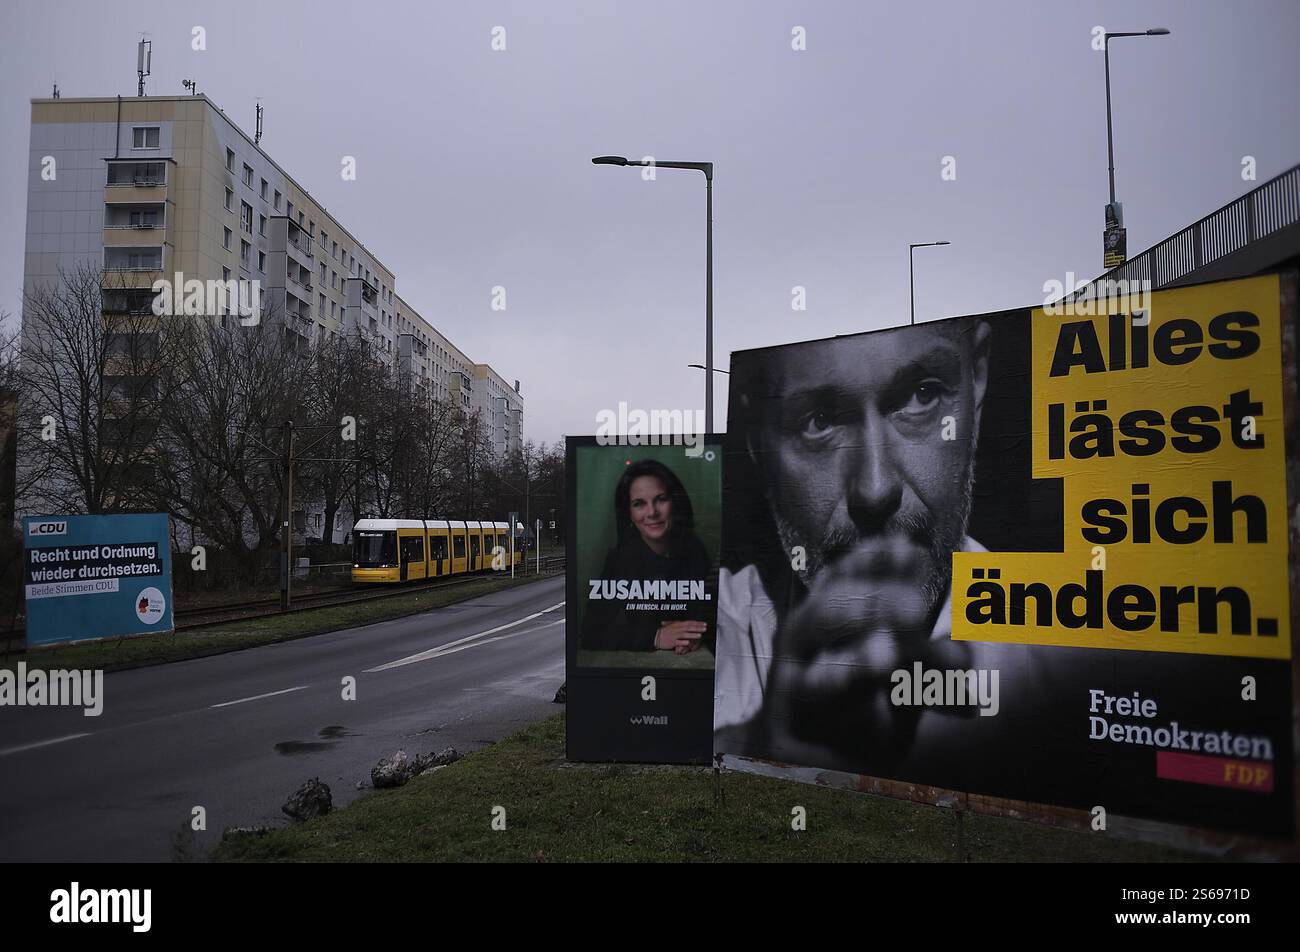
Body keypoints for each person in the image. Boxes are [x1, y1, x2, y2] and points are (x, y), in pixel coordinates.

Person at [715, 317, 1047, 773]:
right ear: (756, 437)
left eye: (921, 396)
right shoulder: (707, 633)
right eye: (820, 421)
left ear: (978, 377)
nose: (874, 489)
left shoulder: (1069, 653)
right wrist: (757, 747)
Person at [580, 459, 715, 655]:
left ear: (675, 502)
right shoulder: (620, 560)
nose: (652, 512)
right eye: (639, 504)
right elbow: (591, 634)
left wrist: (693, 636)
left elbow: (712, 616)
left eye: (661, 499)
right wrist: (656, 636)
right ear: (629, 514)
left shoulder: (694, 548)